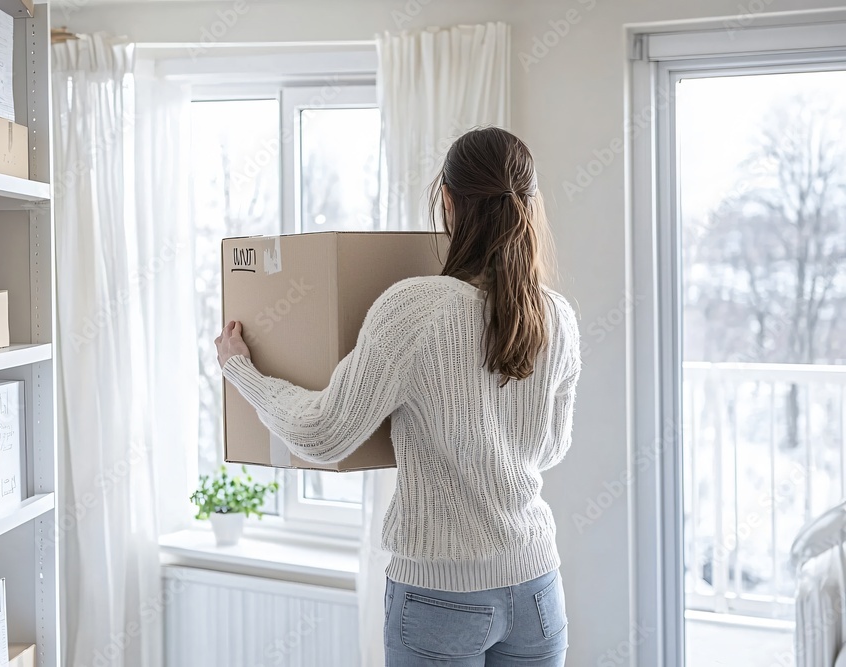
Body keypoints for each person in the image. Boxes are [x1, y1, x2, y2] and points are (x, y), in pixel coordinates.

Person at [215, 126, 581, 666]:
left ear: (448, 201)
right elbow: (549, 450)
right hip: (537, 588)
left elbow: (322, 434)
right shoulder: (556, 316)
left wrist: (241, 370)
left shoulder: (416, 308)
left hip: (440, 595)